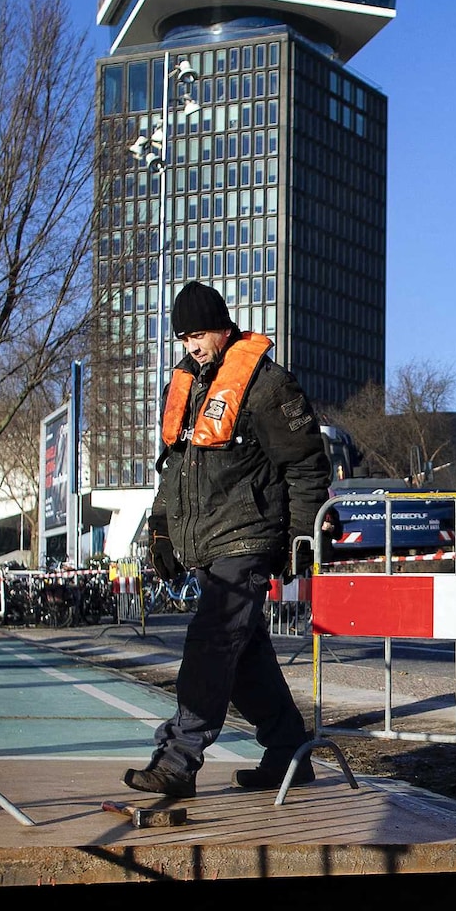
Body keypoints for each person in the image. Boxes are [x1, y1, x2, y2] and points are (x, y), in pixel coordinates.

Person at [125, 281, 330, 798]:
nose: (192, 346)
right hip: (210, 540)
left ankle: (179, 758)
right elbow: (173, 467)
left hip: (248, 536)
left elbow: (305, 464)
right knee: (243, 654)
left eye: (200, 334)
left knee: (213, 641)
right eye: (185, 338)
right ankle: (288, 751)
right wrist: (162, 527)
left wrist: (302, 538)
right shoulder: (189, 387)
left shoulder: (265, 384)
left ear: (223, 327)